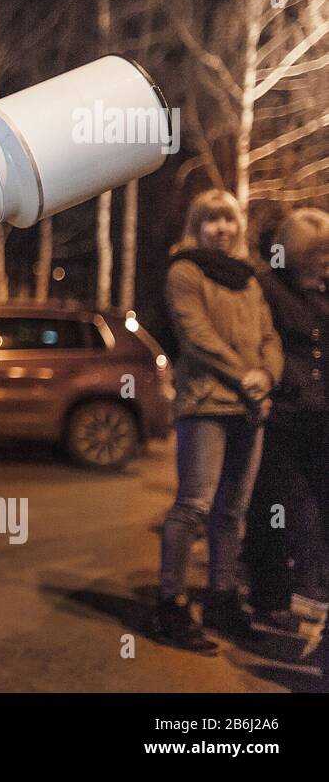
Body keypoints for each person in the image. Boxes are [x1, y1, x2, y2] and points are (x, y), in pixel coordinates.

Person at [151, 188, 284, 655]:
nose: (222, 230)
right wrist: (245, 374)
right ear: (197, 226)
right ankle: (171, 602)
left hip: (249, 407)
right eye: (212, 221)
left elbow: (270, 336)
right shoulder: (184, 270)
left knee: (233, 513)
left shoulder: (249, 279)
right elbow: (197, 336)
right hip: (206, 404)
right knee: (194, 506)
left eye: (229, 221)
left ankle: (223, 600)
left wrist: (267, 374)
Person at [245, 208, 329, 631]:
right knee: (276, 507)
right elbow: (260, 341)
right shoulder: (266, 286)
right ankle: (269, 593)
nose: (325, 261)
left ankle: (310, 584)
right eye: (318, 254)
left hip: (322, 419)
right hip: (281, 415)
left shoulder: (325, 290)